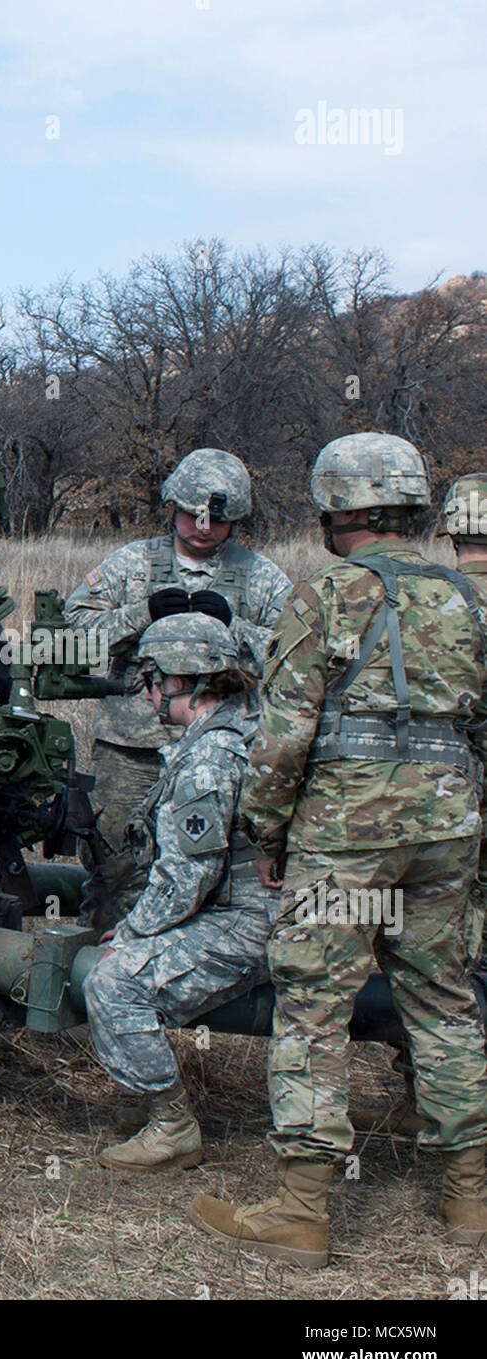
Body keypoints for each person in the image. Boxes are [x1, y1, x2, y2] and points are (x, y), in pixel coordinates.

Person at [189, 432, 487, 1268]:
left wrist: (269, 833)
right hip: (447, 826)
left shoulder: (325, 596)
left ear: (341, 507)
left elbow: (283, 740)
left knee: (313, 1005)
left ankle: (302, 1211)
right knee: (444, 1000)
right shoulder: (469, 601)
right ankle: (468, 1198)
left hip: (346, 835)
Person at [64, 449, 291, 935]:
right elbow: (67, 635)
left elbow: (296, 654)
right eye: (194, 514)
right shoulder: (131, 564)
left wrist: (237, 628)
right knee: (116, 866)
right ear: (173, 505)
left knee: (213, 865)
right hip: (131, 749)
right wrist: (140, 614)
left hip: (224, 751)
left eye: (218, 519)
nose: (204, 527)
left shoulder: (261, 577)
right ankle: (96, 976)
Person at [83, 612, 276, 1174]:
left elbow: (190, 875)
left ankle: (172, 1125)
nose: (147, 693)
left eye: (152, 678)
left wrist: (136, 930)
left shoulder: (210, 758)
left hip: (247, 921)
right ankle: (140, 1098)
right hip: (250, 910)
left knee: (114, 981)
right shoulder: (242, 729)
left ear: (182, 680)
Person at [354, 471, 487, 1141]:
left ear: (452, 532)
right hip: (465, 811)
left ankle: (424, 1102)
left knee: (428, 964)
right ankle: (454, 1129)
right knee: (458, 977)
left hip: (424, 812)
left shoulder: (430, 597)